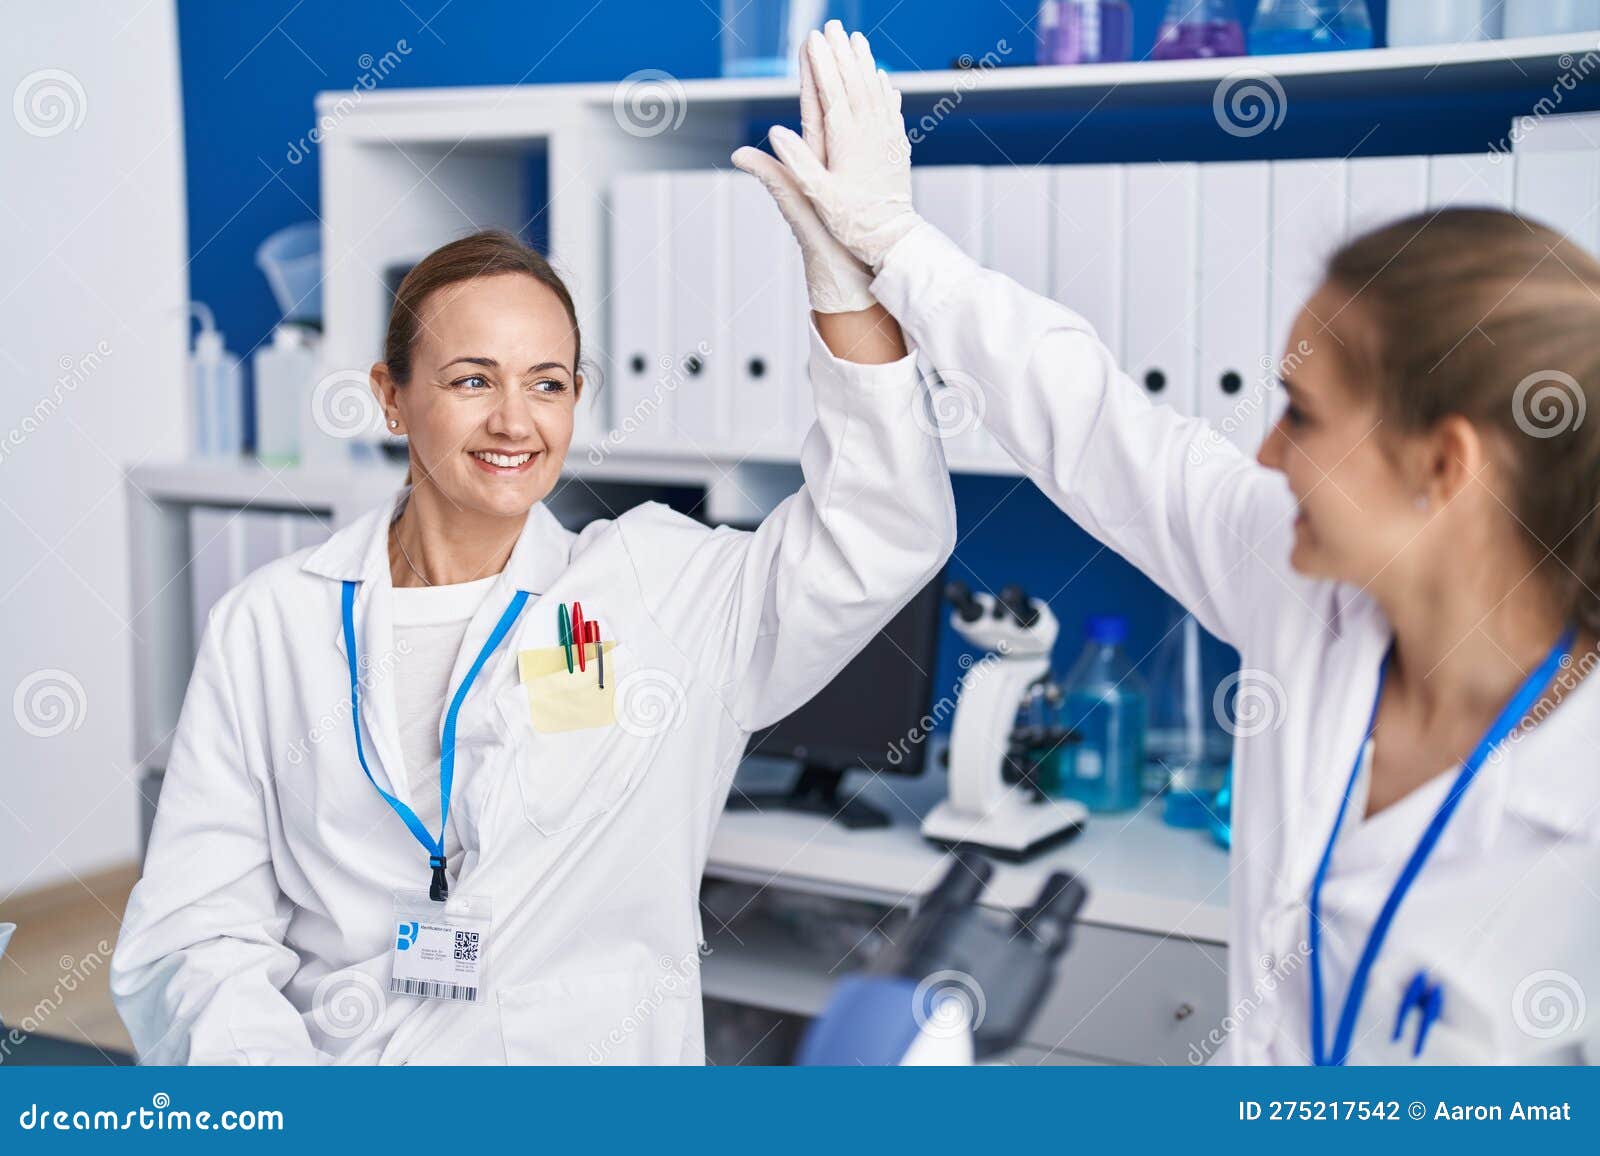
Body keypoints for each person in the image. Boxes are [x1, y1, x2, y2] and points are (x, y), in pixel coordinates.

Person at [735, 19, 1600, 1063]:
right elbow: (1095, 423)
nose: (1268, 455)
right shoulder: (1300, 586)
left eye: (1304, 416)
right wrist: (892, 244)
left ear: (1443, 465)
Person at [111, 143, 956, 1061]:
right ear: (391, 400)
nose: (515, 422)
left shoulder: (653, 589)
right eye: (472, 379)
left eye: (546, 384)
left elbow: (882, 527)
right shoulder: (270, 623)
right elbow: (194, 936)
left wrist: (848, 288)